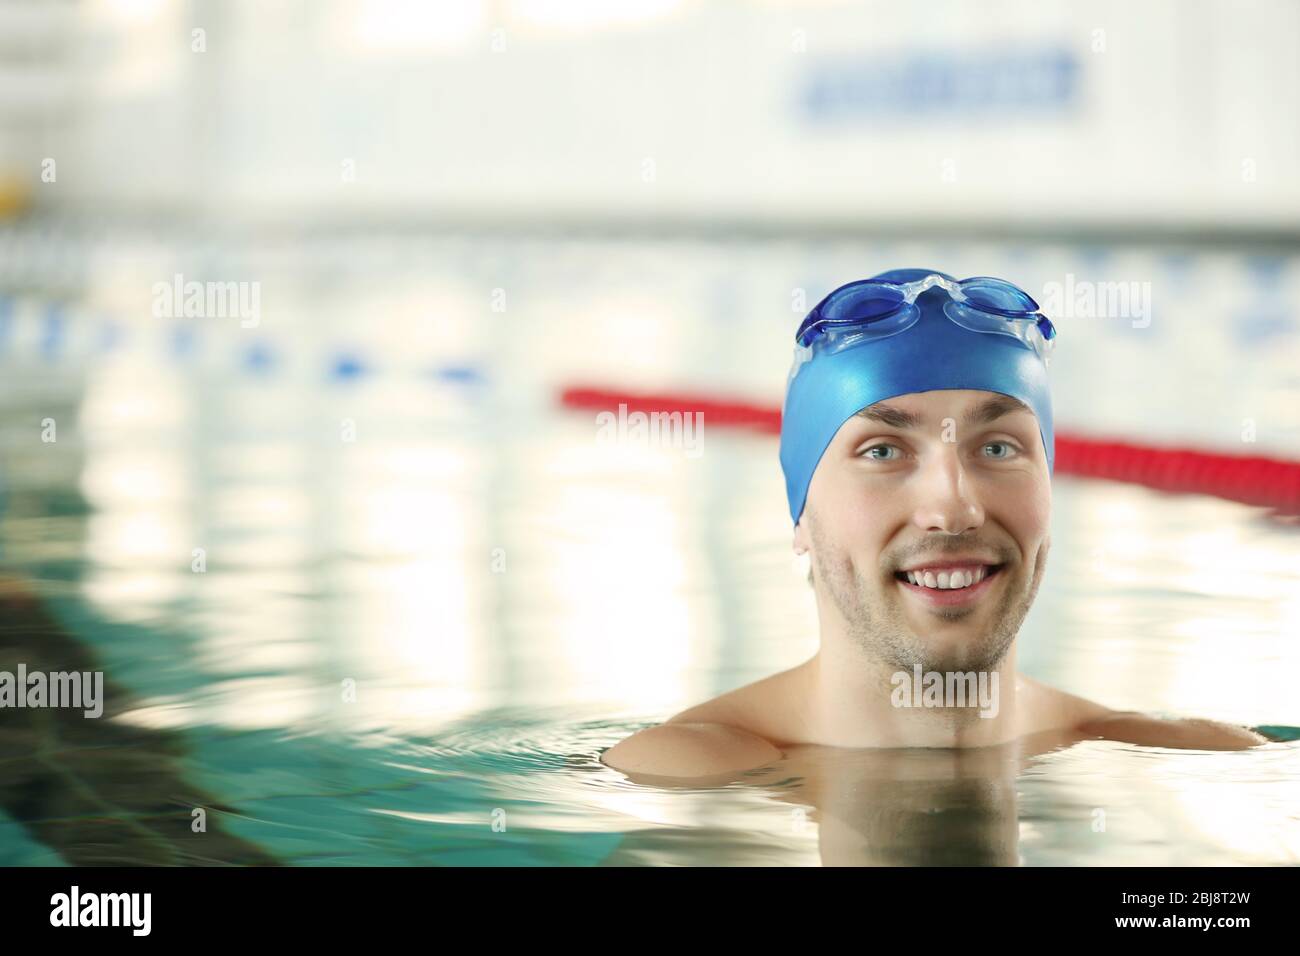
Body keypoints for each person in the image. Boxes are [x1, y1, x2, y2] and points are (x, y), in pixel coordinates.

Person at [601, 269, 1266, 780]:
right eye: (883, 452)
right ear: (800, 512)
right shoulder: (684, 777)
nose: (953, 508)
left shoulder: (1201, 761)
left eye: (999, 448)